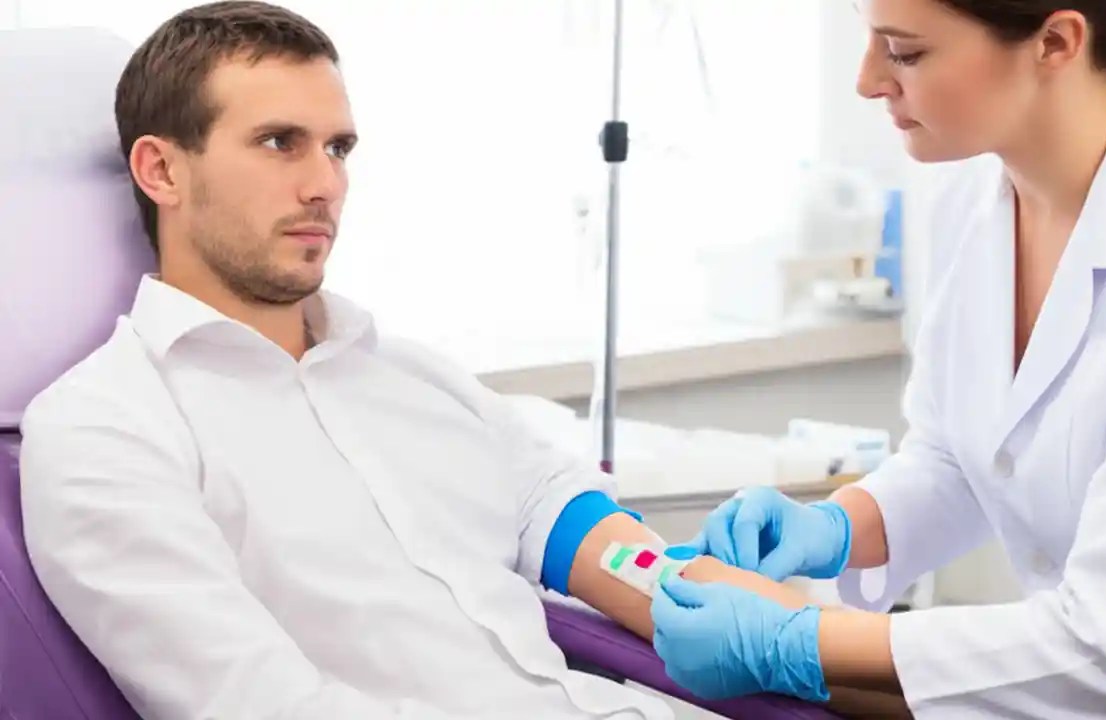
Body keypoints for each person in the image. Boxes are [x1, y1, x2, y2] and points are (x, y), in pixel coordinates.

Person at [16, 3, 814, 719]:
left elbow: (573, 520)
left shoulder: (407, 373)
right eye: (278, 143)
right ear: (161, 170)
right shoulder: (105, 431)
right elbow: (258, 705)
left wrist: (803, 642)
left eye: (338, 148)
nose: (325, 184)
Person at [649, 0, 1106, 717]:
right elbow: (959, 457)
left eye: (905, 53)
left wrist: (800, 640)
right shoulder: (966, 197)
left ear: (1054, 42)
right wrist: (837, 528)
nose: (867, 80)